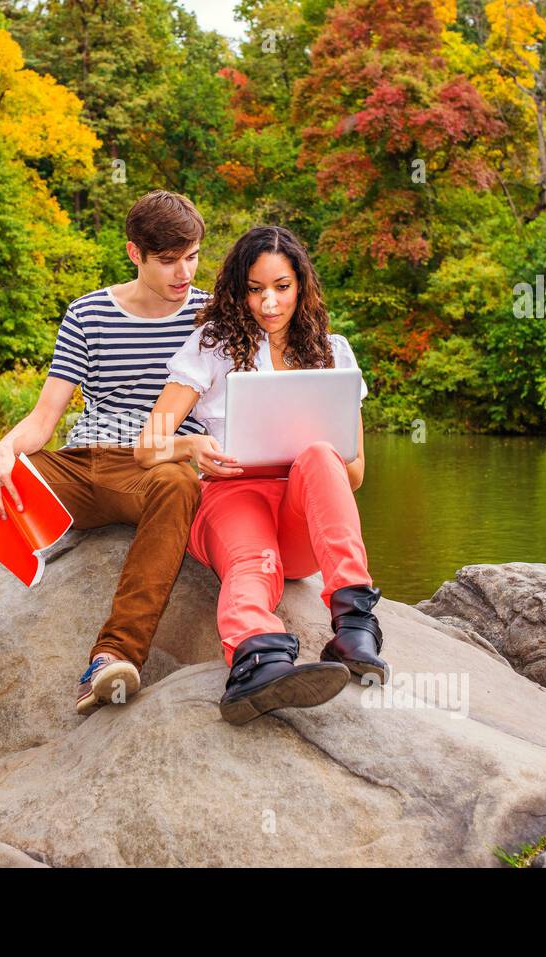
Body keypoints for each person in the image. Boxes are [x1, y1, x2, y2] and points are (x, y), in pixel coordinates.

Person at [0, 190, 210, 742]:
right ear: (135, 253)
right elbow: (44, 418)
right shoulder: (90, 311)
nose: (184, 272)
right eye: (168, 260)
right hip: (82, 466)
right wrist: (4, 451)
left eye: (193, 256)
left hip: (157, 469)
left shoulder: (211, 315)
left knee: (180, 483)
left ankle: (111, 657)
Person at [135, 225, 389, 725]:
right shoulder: (213, 346)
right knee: (254, 559)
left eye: (281, 287)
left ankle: (354, 624)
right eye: (255, 289)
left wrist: (306, 454)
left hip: (301, 515)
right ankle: (258, 660)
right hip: (232, 494)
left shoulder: (333, 353)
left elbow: (354, 473)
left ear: (302, 286)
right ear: (238, 290)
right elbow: (148, 448)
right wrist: (191, 446)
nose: (269, 302)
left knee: (319, 454)